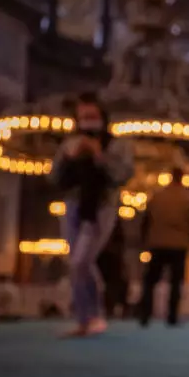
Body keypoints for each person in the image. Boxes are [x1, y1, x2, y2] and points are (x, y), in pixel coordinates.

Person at [51, 92, 133, 337]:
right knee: (77, 263)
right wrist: (68, 158)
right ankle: (84, 319)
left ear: (103, 117)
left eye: (93, 116)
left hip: (101, 206)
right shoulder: (69, 144)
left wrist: (99, 156)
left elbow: (123, 175)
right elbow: (54, 177)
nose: (88, 121)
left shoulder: (117, 145)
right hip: (73, 205)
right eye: (84, 117)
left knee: (81, 261)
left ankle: (94, 314)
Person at [137, 166, 189, 327]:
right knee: (175, 282)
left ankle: (145, 314)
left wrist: (146, 240)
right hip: (179, 245)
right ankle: (172, 316)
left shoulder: (157, 196)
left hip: (157, 243)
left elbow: (146, 221)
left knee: (150, 281)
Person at [97, 221, 129, 319]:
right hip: (106, 255)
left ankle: (109, 307)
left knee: (112, 284)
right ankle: (108, 307)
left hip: (107, 255)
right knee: (111, 284)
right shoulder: (113, 222)